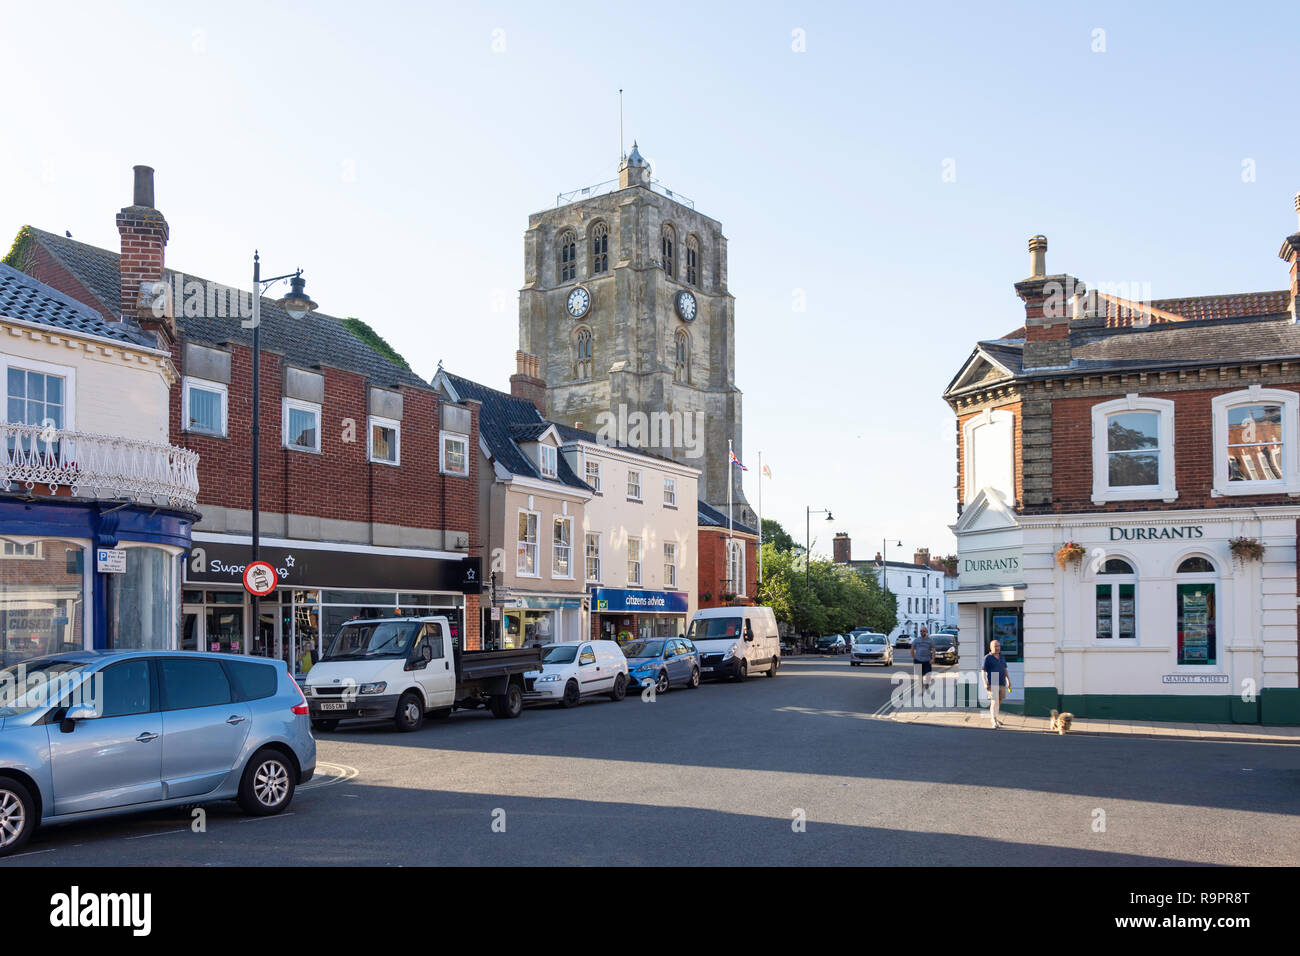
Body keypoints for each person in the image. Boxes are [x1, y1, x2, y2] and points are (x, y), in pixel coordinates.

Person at [982, 639, 1012, 728]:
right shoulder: (987, 657)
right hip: (993, 680)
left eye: (998, 646)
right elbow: (983, 671)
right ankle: (993, 721)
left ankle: (995, 717)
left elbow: (1005, 669)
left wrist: (1008, 680)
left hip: (1002, 681)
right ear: (991, 648)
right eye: (995, 646)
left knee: (999, 701)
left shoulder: (1002, 657)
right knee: (994, 701)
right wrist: (985, 683)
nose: (998, 648)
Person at [911, 626, 934, 695]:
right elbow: (912, 648)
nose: (922, 632)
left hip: (927, 661)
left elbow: (933, 650)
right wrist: (914, 657)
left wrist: (933, 658)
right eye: (921, 631)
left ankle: (927, 684)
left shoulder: (930, 640)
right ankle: (920, 691)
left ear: (926, 632)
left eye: (923, 631)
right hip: (918, 660)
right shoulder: (916, 640)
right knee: (919, 676)